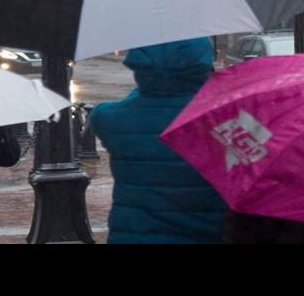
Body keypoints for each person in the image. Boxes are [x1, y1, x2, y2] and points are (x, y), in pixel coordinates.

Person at [91, 38, 227, 243]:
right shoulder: (225, 118)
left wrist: (149, 87)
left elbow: (136, 104)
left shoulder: (109, 118)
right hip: (208, 235)